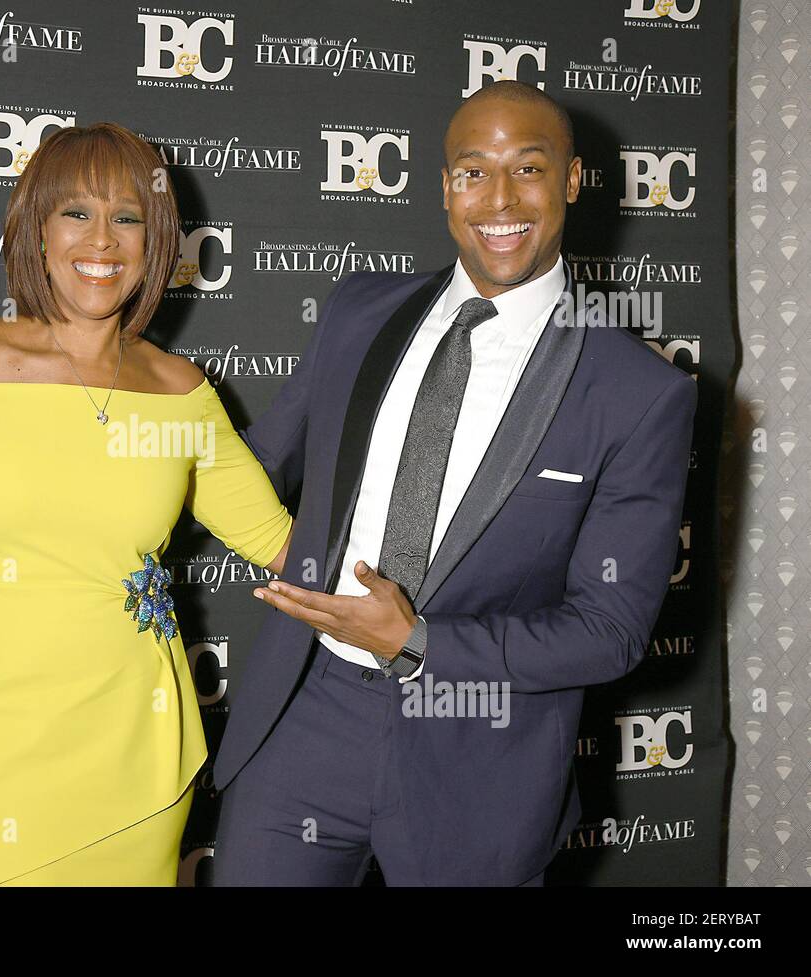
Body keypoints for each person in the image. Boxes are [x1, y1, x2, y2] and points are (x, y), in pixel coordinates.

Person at [211, 81, 697, 885]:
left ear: (572, 181)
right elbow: (254, 464)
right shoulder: (360, 309)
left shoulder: (637, 392)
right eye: (474, 172)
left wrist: (417, 641)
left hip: (483, 761)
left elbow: (610, 628)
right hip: (306, 716)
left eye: (528, 169)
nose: (499, 198)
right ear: (445, 188)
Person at [0, 122, 293, 885]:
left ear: (158, 239)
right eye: (76, 212)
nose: (102, 240)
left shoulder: (182, 394)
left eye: (129, 217)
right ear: (35, 230)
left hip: (134, 755)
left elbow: (283, 545)